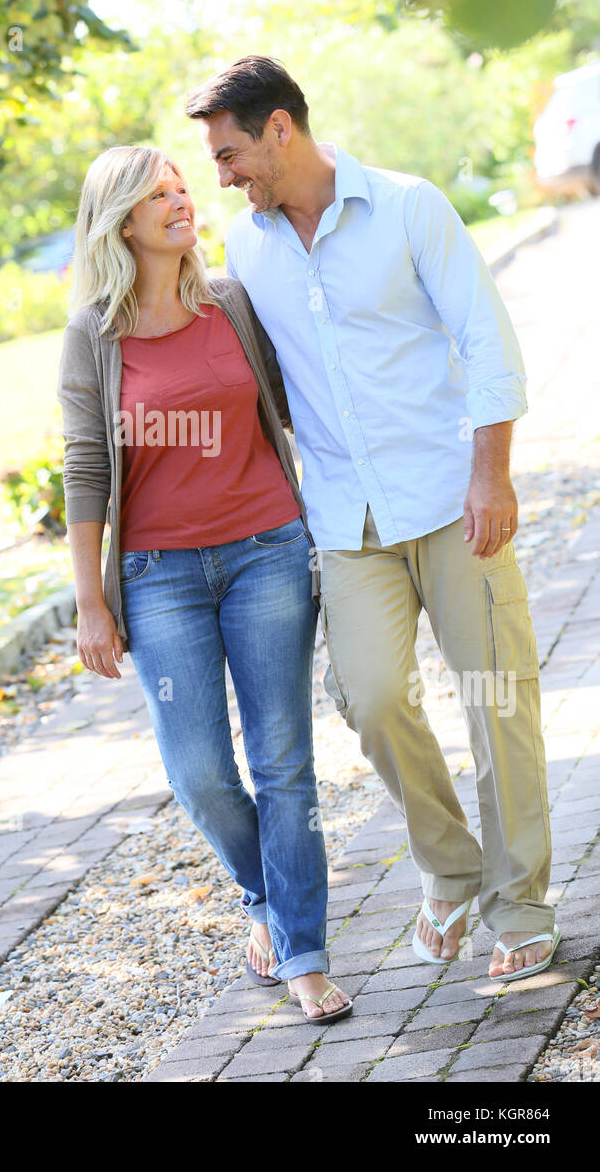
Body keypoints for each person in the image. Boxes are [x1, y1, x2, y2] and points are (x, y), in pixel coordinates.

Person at [186, 56, 559, 983]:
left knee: (496, 699)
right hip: (345, 519)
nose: (223, 176)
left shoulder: (407, 206)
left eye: (231, 154)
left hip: (450, 495)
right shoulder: (250, 247)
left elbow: (485, 338)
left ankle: (520, 904)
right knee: (370, 695)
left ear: (281, 129)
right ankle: (451, 867)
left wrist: (493, 474)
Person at [57, 144, 353, 1023]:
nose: (182, 203)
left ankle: (301, 950)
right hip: (159, 575)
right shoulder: (93, 337)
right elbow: (83, 468)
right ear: (120, 221)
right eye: (159, 195)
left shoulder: (230, 302)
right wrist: (90, 600)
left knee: (283, 764)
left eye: (183, 187)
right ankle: (268, 899)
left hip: (267, 550)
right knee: (198, 773)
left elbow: (300, 404)